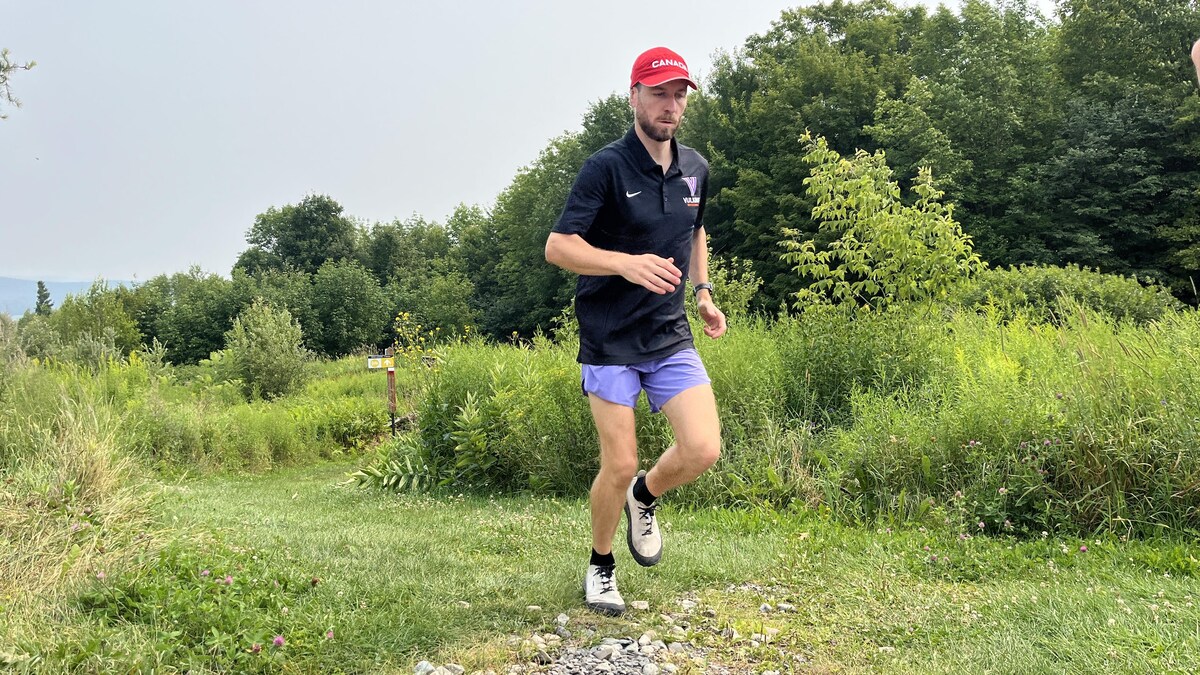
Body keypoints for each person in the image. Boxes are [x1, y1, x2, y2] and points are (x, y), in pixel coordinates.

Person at [544, 46, 727, 616]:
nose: (670, 106)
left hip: (668, 330)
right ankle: (600, 567)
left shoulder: (696, 167)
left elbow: (694, 229)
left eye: (678, 95)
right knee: (618, 461)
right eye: (658, 93)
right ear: (634, 96)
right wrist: (623, 262)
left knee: (702, 448)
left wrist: (703, 293)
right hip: (609, 335)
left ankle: (643, 498)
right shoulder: (605, 167)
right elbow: (558, 247)